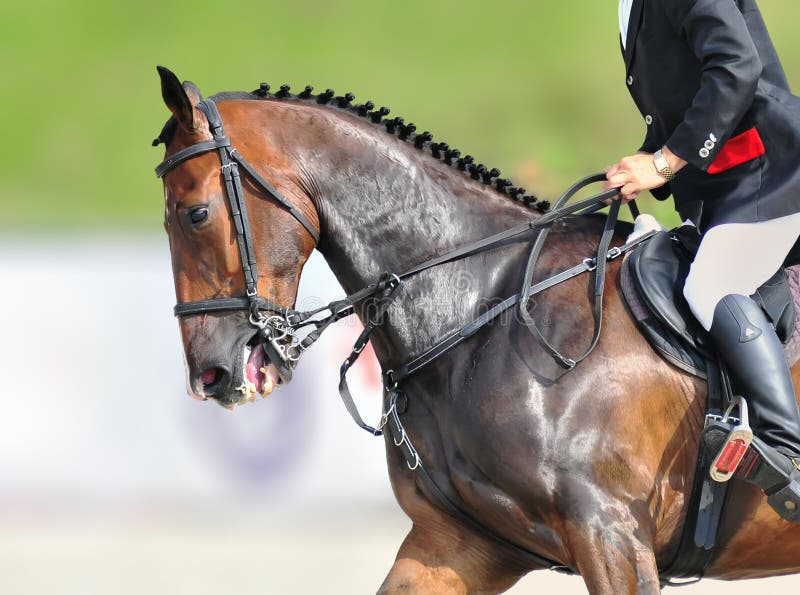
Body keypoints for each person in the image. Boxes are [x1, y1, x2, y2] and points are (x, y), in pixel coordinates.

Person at [606, 0, 800, 521]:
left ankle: (790, 453)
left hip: (770, 170)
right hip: (721, 188)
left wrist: (665, 164)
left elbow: (737, 67)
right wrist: (640, 165)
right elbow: (679, 101)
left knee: (709, 286)